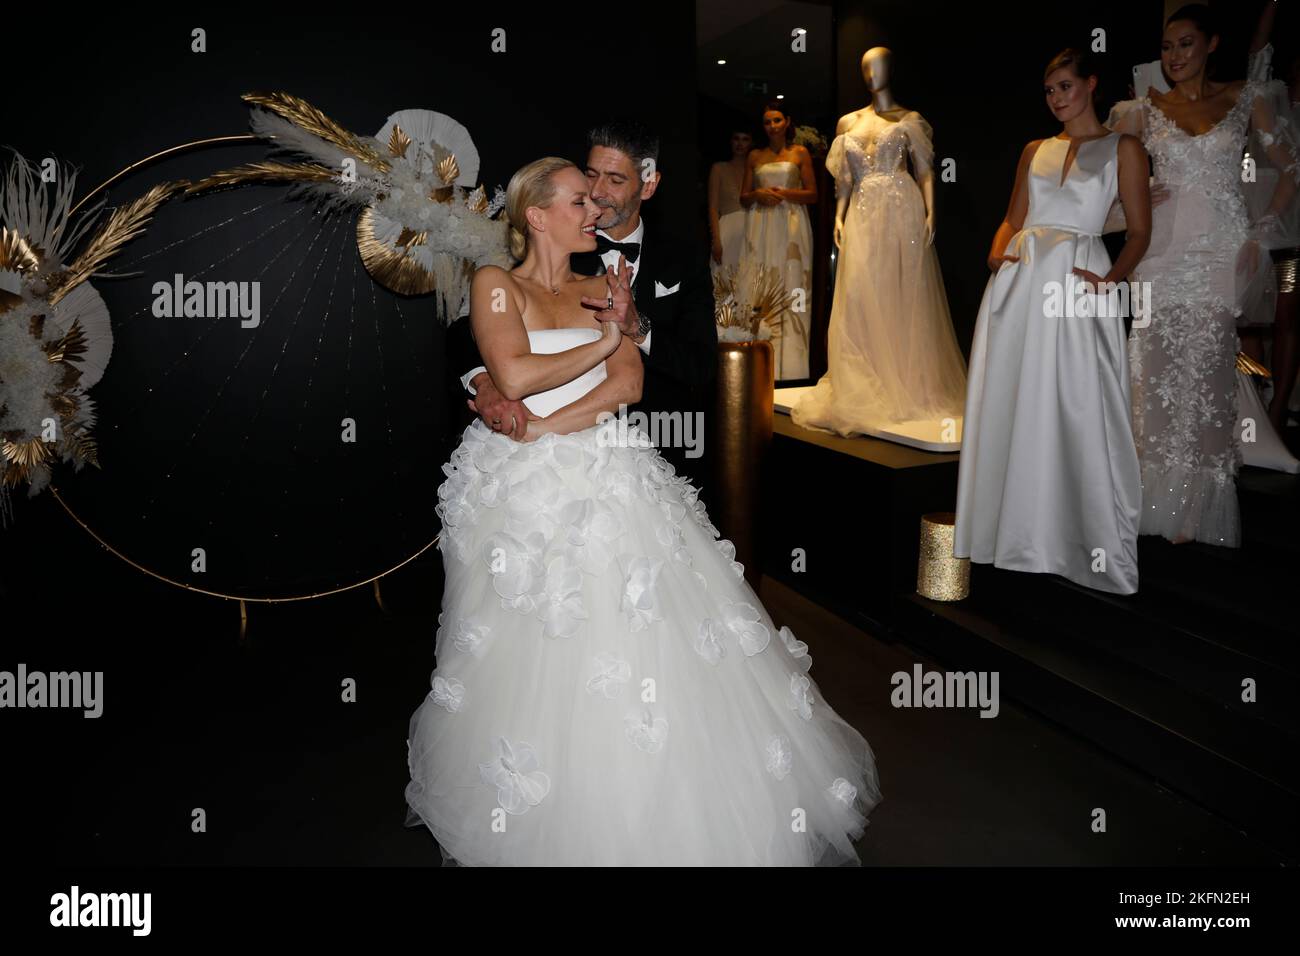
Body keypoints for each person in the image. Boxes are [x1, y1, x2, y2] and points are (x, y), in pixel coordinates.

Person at [405, 157, 881, 865]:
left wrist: (547, 423)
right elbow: (512, 373)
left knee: (634, 628)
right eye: (576, 200)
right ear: (537, 216)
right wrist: (598, 346)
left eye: (599, 196)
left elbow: (627, 382)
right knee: (526, 638)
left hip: (605, 468)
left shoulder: (605, 285)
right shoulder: (494, 284)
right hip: (517, 490)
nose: (592, 209)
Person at [954, 49, 1151, 595]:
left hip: (1081, 281)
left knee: (1081, 403)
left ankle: (1076, 542)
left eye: (1066, 86)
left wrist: (1112, 281)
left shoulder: (1125, 147)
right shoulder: (1035, 150)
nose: (1058, 97)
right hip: (1020, 286)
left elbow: (1138, 232)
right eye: (1049, 90)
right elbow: (1013, 218)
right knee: (1014, 400)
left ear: (1091, 84)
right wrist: (998, 253)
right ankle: (1012, 535)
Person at [1107, 4, 1300, 546]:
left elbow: (1292, 166)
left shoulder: (1246, 98)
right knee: (1151, 370)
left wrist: (1262, 233)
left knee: (1207, 372)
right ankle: (1143, 502)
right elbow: (1098, 173)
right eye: (1167, 47)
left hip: (1220, 250)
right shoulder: (1141, 110)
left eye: (1185, 44)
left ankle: (1192, 512)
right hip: (1160, 251)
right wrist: (1134, 201)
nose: (1174, 57)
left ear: (1212, 43)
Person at [448, 120, 718, 487]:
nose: (596, 192)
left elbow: (699, 366)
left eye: (615, 180)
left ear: (649, 185)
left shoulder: (683, 261)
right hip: (528, 459)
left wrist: (636, 328)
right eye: (591, 175)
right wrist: (485, 382)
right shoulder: (553, 241)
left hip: (650, 449)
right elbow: (466, 329)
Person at [791, 45, 966, 440]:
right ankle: (864, 383)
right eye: (866, 67)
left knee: (901, 291)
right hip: (862, 213)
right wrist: (837, 216)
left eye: (880, 65)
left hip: (901, 208)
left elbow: (924, 171)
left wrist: (931, 211)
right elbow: (844, 182)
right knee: (858, 293)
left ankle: (905, 383)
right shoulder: (847, 123)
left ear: (891, 69)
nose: (873, 73)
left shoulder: (910, 120)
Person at [739, 102, 816, 381]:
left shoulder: (800, 152)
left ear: (787, 122)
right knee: (761, 288)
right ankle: (759, 368)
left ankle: (793, 370)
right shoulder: (754, 156)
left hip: (791, 224)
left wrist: (785, 193)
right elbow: (743, 197)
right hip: (761, 225)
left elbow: (813, 194)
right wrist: (758, 194)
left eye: (777, 120)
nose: (772, 126)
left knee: (792, 284)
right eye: (767, 122)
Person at [708, 128, 752, 289]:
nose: (740, 143)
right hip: (726, 231)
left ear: (751, 143)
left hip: (752, 231)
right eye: (736, 138)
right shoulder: (719, 168)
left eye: (745, 139)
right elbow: (712, 207)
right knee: (724, 284)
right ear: (730, 142)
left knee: (749, 286)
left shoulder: (755, 170)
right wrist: (716, 241)